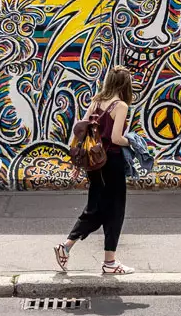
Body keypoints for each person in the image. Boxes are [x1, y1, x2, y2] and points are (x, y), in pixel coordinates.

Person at [54, 67, 136, 276]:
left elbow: (83, 133)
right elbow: (116, 138)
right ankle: (109, 262)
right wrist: (133, 142)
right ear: (125, 84)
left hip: (94, 163)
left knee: (97, 207)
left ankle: (67, 246)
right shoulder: (121, 106)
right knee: (115, 210)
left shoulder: (96, 101)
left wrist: (77, 164)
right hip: (112, 162)